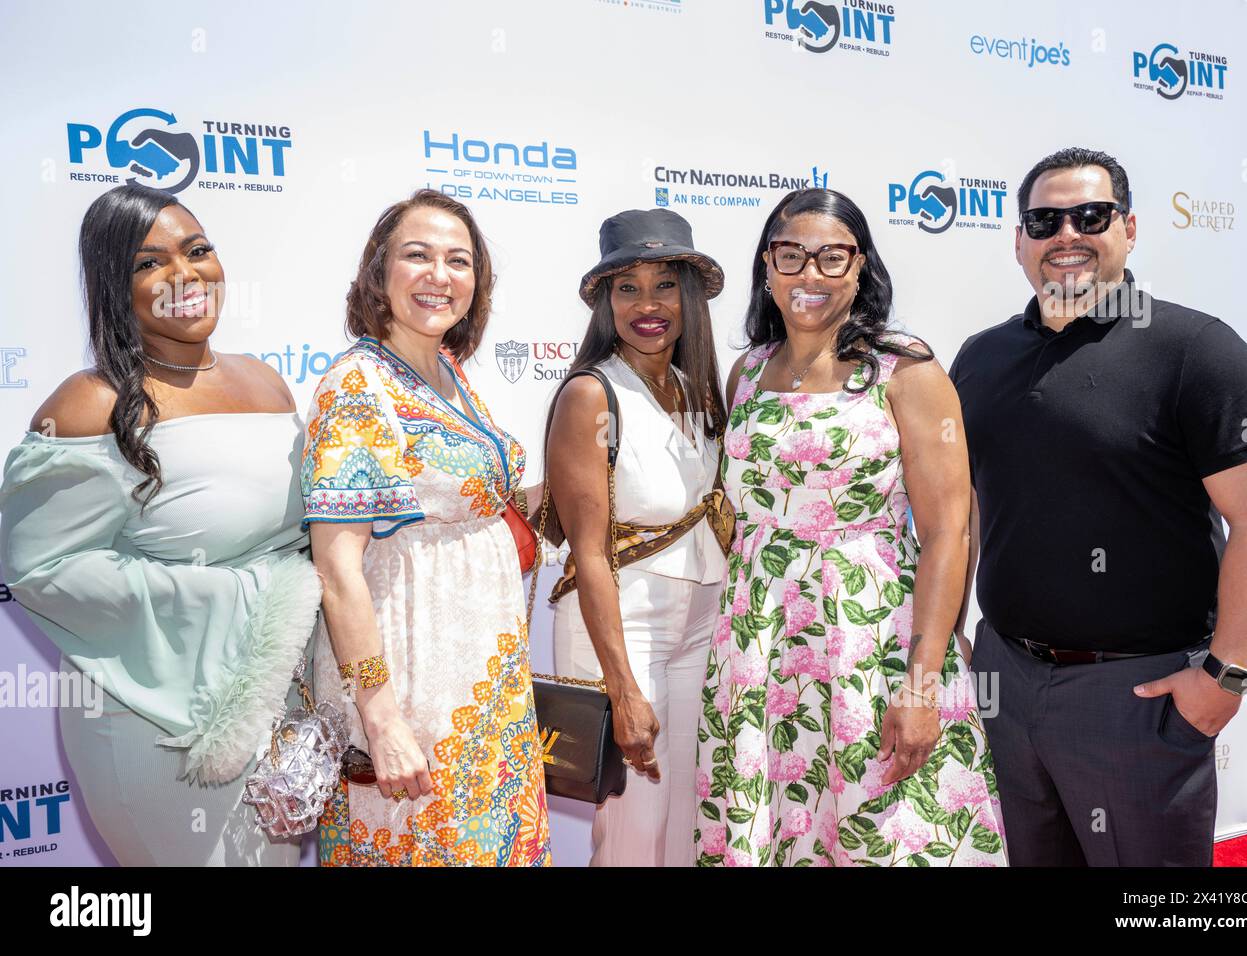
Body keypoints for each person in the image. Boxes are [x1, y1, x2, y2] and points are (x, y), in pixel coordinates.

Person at [951, 147, 1247, 866]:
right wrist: (955, 636)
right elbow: (970, 513)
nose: (1066, 234)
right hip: (1006, 681)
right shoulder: (980, 359)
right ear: (1019, 240)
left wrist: (1225, 679)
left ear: (1129, 229)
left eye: (1091, 215)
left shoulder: (1195, 350)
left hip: (1138, 696)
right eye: (1045, 220)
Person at [0, 183, 320, 866]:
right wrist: (243, 600)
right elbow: (40, 568)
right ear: (114, 285)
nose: (184, 275)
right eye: (149, 264)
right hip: (158, 719)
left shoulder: (267, 382)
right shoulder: (91, 403)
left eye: (197, 250)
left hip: (277, 700)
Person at [696, 188, 1007, 867]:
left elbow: (951, 531)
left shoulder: (905, 368)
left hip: (875, 641)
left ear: (860, 266)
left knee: (885, 834)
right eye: (791, 256)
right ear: (768, 267)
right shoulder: (748, 370)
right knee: (779, 828)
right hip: (760, 644)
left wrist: (923, 681)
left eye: (831, 257)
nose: (810, 274)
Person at [303, 188, 550, 867]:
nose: (440, 276)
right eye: (418, 256)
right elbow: (337, 568)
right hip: (413, 684)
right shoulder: (360, 385)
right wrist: (381, 721)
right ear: (379, 273)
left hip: (482, 678)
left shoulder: (445, 372)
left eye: (459, 261)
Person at [544, 208, 729, 867]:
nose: (647, 305)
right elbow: (588, 552)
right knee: (632, 830)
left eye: (665, 285)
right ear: (605, 303)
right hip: (625, 624)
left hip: (700, 622)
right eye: (627, 288)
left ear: (690, 295)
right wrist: (621, 689)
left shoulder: (695, 387)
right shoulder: (592, 395)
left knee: (686, 822)